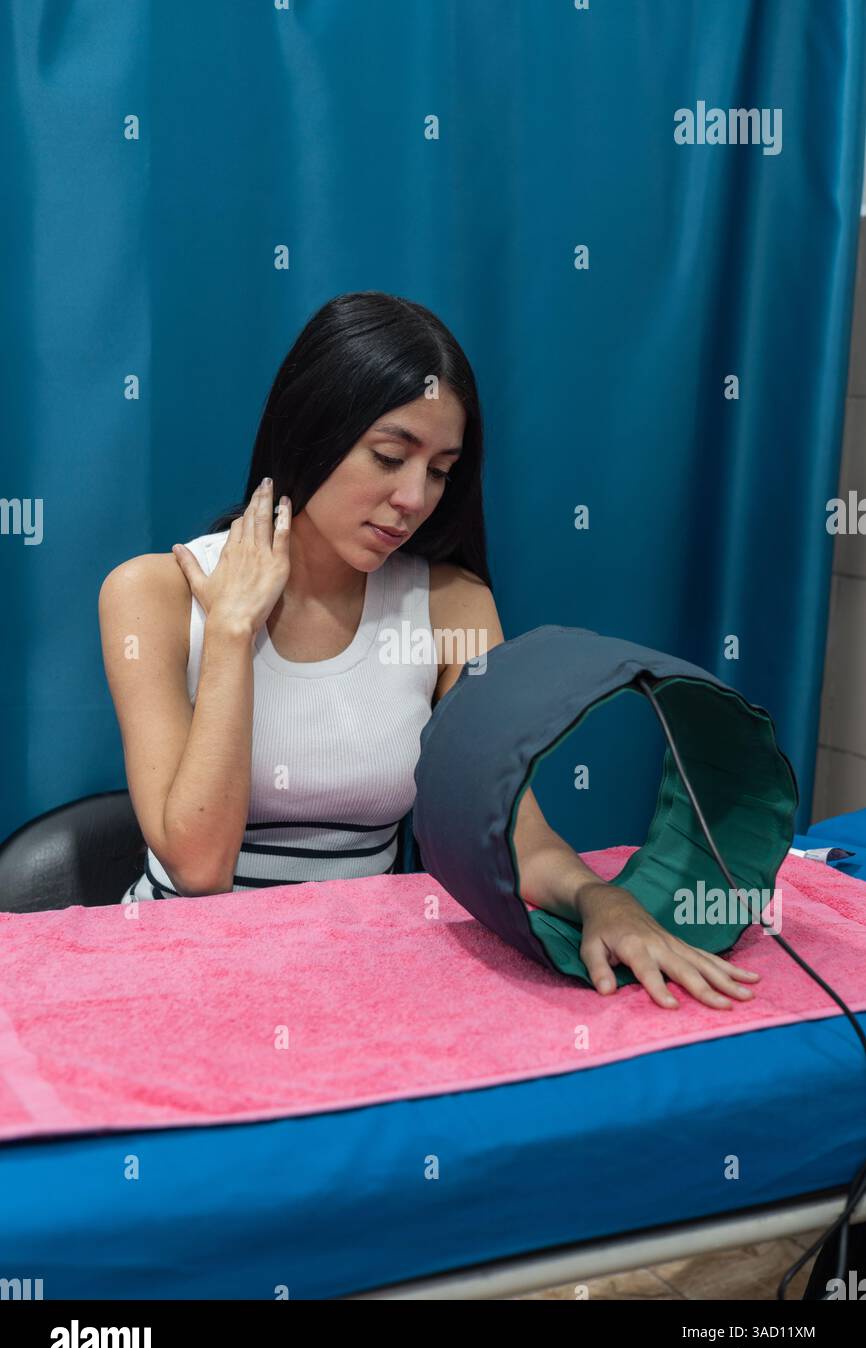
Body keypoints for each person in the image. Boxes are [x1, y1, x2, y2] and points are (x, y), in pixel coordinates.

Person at [98, 290, 760, 1014]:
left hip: (355, 977)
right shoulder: (153, 595)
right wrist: (230, 631)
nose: (414, 497)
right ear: (310, 431)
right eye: (389, 456)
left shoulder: (452, 605)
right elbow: (198, 869)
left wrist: (604, 902)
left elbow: (514, 833)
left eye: (440, 470)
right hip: (172, 973)